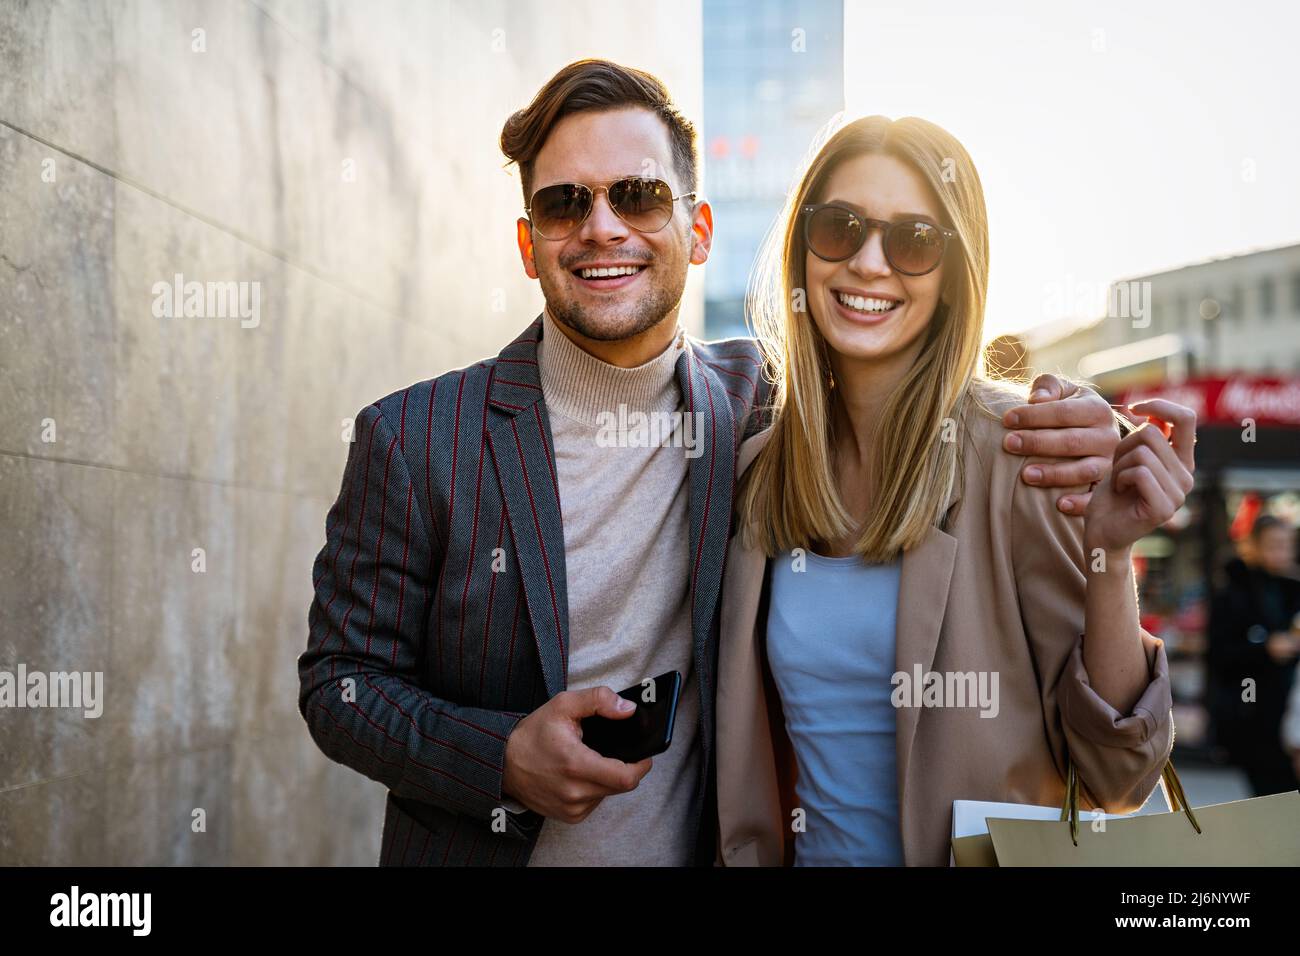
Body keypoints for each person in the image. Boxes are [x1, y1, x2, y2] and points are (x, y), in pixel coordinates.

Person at [298, 60, 1125, 866]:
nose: (602, 226)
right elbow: (340, 683)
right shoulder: (413, 439)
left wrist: (1084, 421)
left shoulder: (755, 414)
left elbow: (915, 388)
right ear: (528, 243)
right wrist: (500, 757)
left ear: (698, 234)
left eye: (640, 195)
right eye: (563, 203)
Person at [715, 114, 1197, 866]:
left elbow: (1120, 777)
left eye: (913, 241)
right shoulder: (758, 473)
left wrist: (1110, 553)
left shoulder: (1021, 452)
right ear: (803, 248)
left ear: (952, 278)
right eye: (840, 227)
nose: (870, 263)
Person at [1207, 515, 1300, 797]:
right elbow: (1220, 655)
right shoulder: (1233, 593)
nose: (1281, 552)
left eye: (1287, 545)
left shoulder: (1293, 588)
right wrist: (1265, 649)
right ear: (1253, 546)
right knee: (1271, 799)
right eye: (1274, 544)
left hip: (1292, 716)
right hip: (1254, 716)